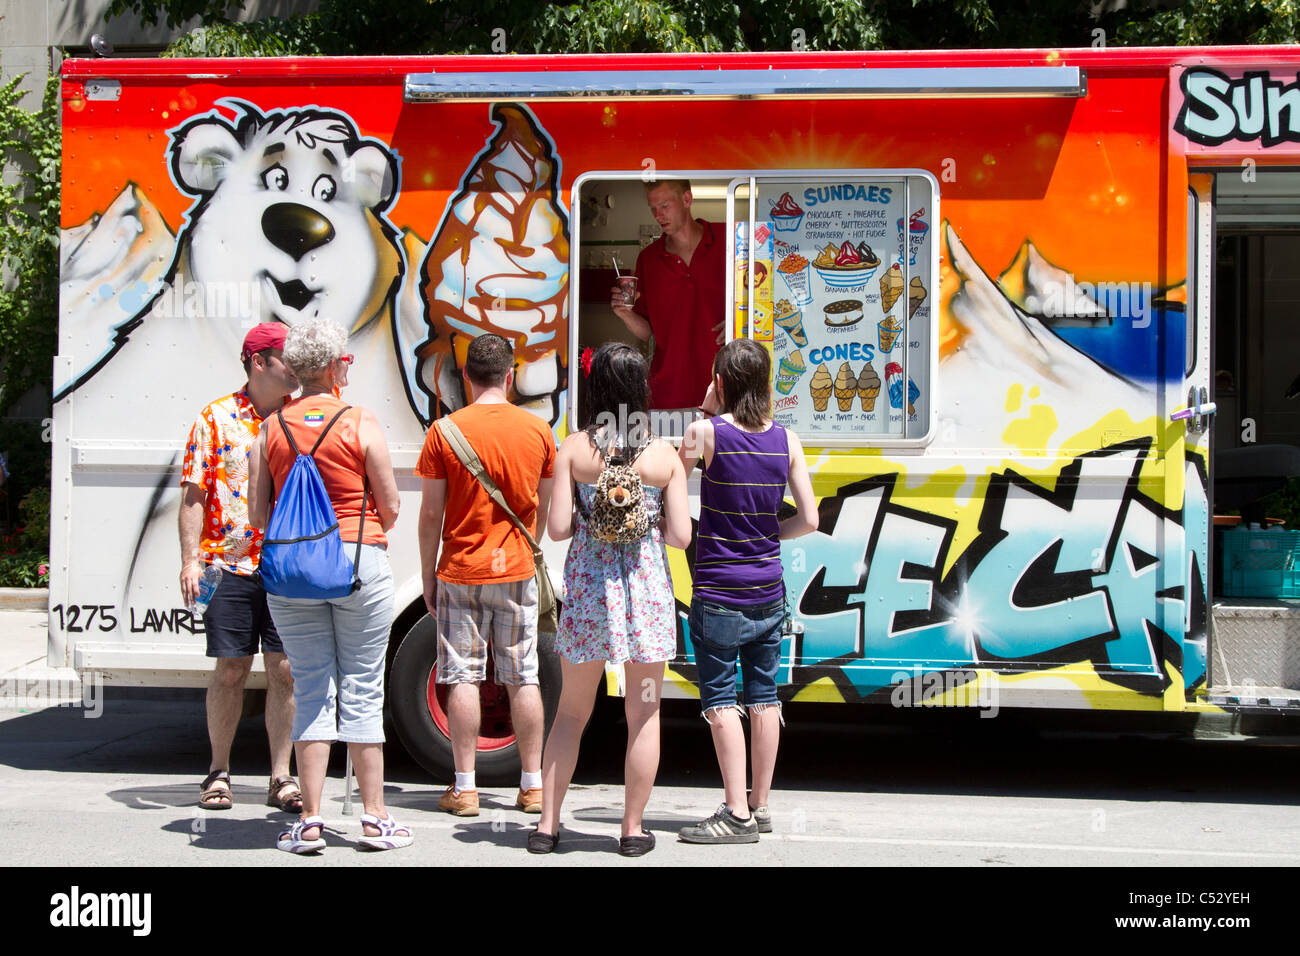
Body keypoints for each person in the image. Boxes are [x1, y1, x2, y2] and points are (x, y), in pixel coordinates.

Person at [247, 317, 406, 853]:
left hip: (292, 573)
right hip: (359, 562)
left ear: (294, 368)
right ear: (338, 365)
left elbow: (257, 511)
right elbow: (391, 507)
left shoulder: (270, 428)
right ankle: (375, 820)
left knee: (313, 688)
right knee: (363, 689)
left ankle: (310, 820)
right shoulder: (361, 422)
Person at [529, 343, 691, 856]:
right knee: (644, 712)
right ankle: (631, 829)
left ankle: (547, 828)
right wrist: (651, 519)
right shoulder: (663, 456)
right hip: (644, 596)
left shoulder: (574, 449)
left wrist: (587, 517)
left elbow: (556, 529)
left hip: (590, 595)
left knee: (572, 713)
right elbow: (682, 537)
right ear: (642, 389)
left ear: (595, 387)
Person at [676, 338, 817, 844]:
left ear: (721, 383)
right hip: (769, 592)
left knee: (719, 700)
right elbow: (811, 518)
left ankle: (735, 815)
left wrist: (705, 408)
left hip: (718, 592)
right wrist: (767, 534)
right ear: (765, 385)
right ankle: (760, 804)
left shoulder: (703, 433)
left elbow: (673, 479)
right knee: (764, 697)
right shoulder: (788, 440)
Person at [416, 333, 555, 818]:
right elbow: (543, 504)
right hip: (516, 569)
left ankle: (466, 787)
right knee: (524, 677)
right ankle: (533, 786)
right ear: (510, 376)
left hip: (461, 570)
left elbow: (430, 514)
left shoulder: (444, 432)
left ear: (467, 378)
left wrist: (427, 574)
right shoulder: (538, 431)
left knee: (462, 678)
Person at [179, 322, 301, 814]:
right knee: (230, 669)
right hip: (228, 565)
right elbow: (192, 495)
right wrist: (190, 560)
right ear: (259, 362)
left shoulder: (304, 417)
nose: (297, 365)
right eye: (287, 356)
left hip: (287, 565)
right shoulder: (215, 418)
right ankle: (218, 770)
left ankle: (281, 776)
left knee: (285, 671)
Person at [610, 179, 725, 415]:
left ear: (686, 199)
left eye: (664, 206)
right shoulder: (648, 259)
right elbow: (646, 331)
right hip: (669, 393)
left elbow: (762, 293)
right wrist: (625, 314)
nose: (658, 215)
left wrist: (741, 322)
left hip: (726, 387)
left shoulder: (729, 239)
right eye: (653, 208)